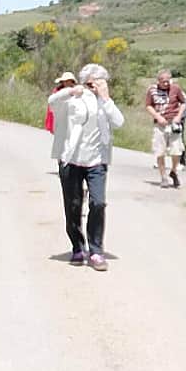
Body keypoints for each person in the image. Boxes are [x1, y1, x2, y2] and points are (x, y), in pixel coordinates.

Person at [48, 63, 124, 271]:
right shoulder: (73, 100)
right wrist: (72, 91)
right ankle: (77, 247)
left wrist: (106, 98)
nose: (95, 88)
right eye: (91, 84)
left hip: (97, 161)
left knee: (98, 203)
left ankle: (96, 251)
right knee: (73, 205)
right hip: (71, 159)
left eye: (100, 83)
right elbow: (52, 102)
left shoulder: (105, 103)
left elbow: (119, 122)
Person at [145, 68, 186, 188]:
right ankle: (163, 177)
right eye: (163, 81)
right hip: (160, 124)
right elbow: (148, 105)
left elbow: (183, 103)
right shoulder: (152, 90)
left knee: (177, 151)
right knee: (160, 151)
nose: (166, 83)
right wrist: (157, 116)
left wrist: (179, 116)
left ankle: (173, 171)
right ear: (158, 81)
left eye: (168, 80)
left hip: (173, 123)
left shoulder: (176, 89)